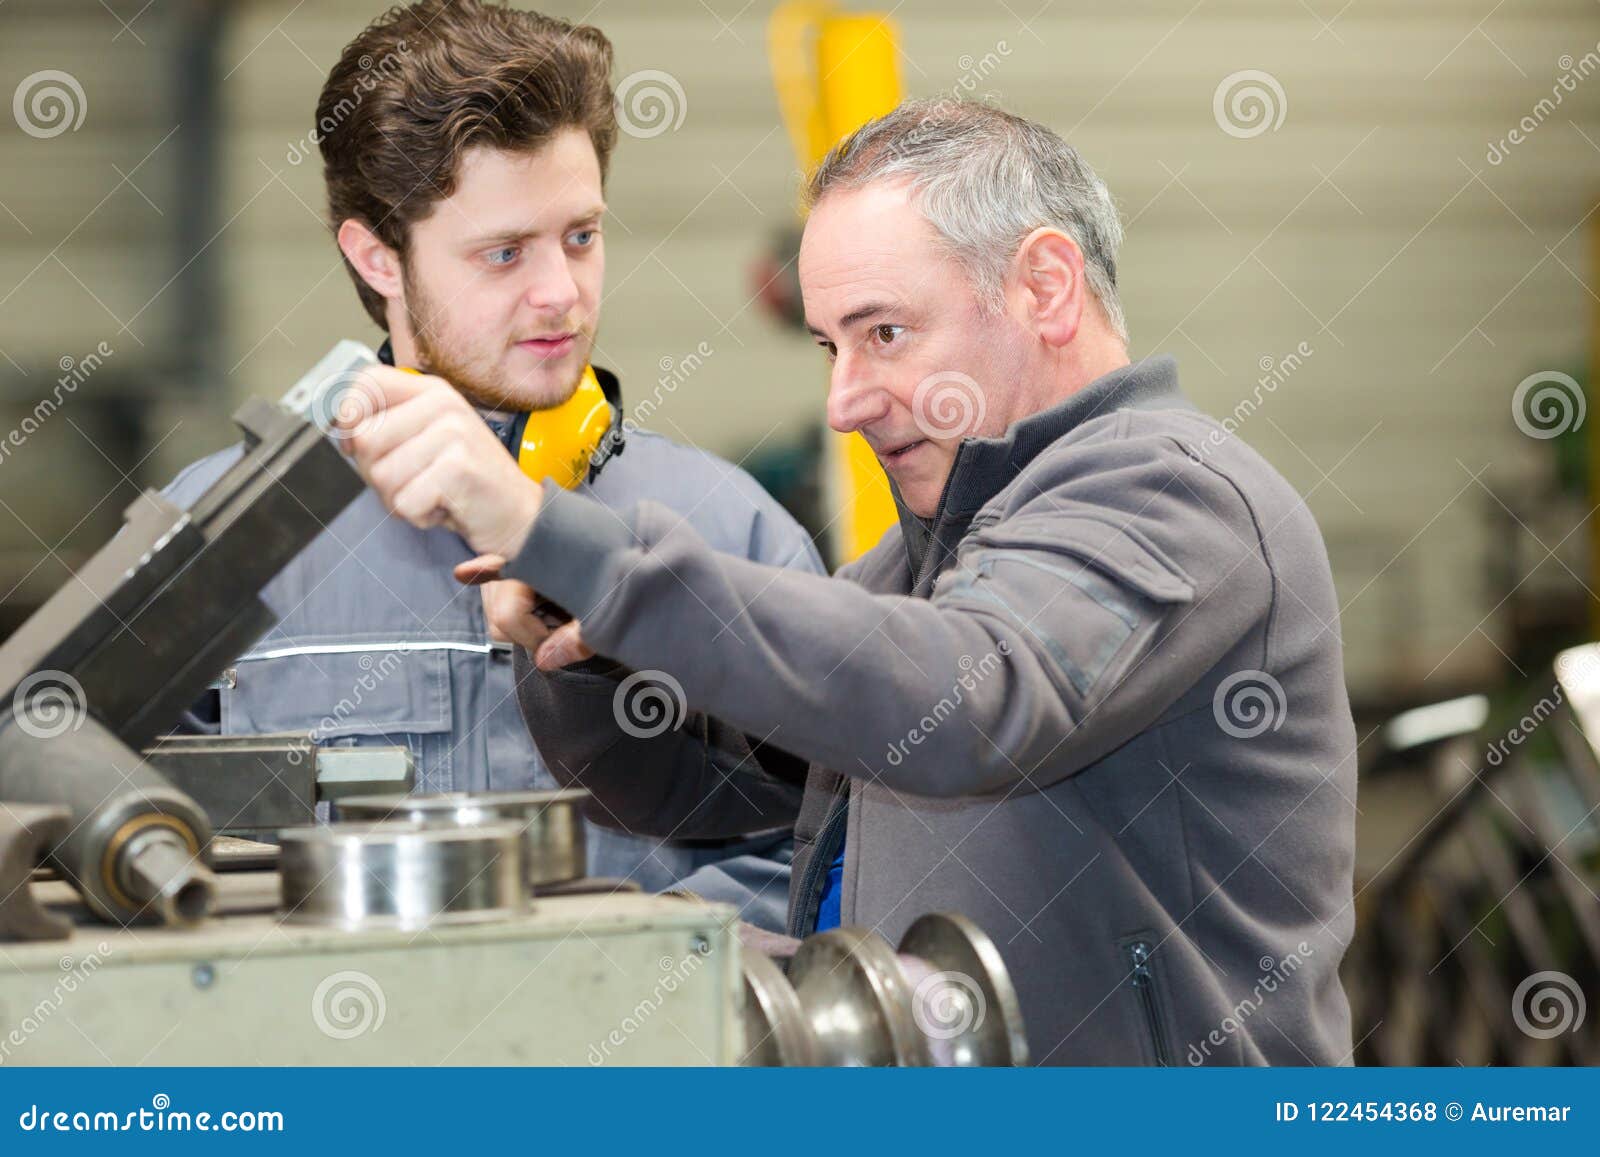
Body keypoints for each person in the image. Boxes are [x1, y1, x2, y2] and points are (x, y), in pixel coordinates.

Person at [336, 98, 1359, 1066]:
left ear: (1045, 288)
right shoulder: (925, 558)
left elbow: (969, 693)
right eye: (831, 345)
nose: (844, 400)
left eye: (885, 333)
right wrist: (589, 650)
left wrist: (562, 536)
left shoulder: (1175, 496)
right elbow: (712, 790)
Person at [162, 0, 820, 930]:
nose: (561, 293)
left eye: (581, 236)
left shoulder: (730, 530)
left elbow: (812, 860)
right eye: (504, 252)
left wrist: (618, 992)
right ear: (378, 257)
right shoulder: (223, 539)